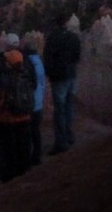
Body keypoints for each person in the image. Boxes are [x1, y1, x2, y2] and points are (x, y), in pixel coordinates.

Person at [44, 14, 81, 155]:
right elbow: (77, 57)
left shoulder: (52, 38)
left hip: (59, 78)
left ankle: (61, 142)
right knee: (69, 107)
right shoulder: (74, 37)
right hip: (71, 75)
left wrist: (50, 74)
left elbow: (47, 58)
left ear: (56, 24)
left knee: (59, 110)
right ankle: (69, 135)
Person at [0, 49, 32, 182]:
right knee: (23, 146)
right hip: (25, 116)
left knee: (9, 148)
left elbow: (2, 100)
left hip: (10, 118)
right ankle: (24, 170)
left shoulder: (8, 78)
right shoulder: (26, 75)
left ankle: (10, 175)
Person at [24, 42, 46, 165]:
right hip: (39, 102)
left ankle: (30, 157)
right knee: (36, 131)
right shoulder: (40, 62)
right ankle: (37, 155)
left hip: (32, 103)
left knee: (28, 132)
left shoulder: (29, 64)